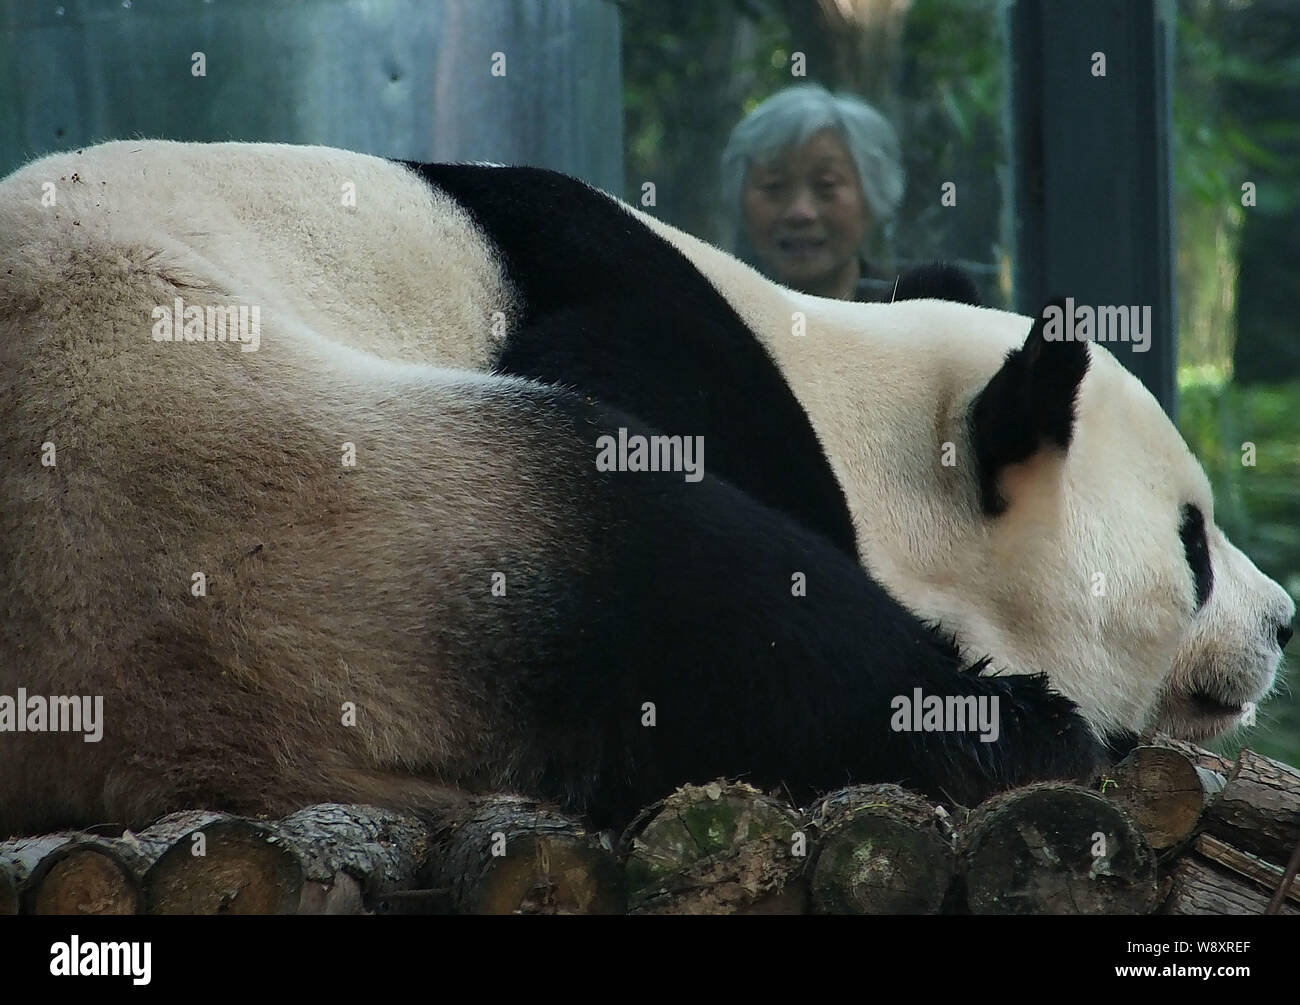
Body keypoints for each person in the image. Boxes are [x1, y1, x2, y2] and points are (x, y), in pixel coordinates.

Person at [720, 83, 904, 301]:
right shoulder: (704, 318)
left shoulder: (913, 321)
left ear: (872, 198)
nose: (800, 213)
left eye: (826, 185)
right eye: (774, 187)